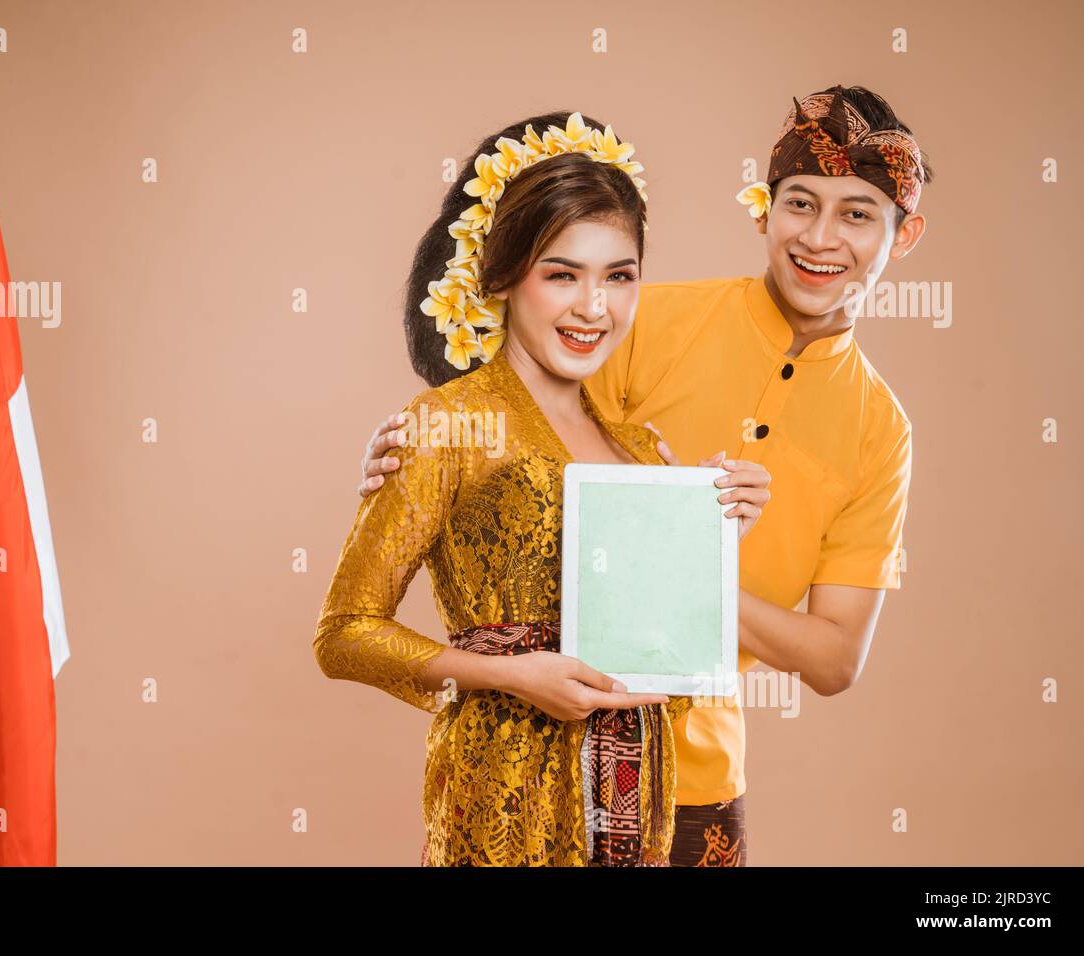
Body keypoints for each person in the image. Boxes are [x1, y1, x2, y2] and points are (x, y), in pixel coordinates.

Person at [357, 86, 930, 866]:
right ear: (764, 208)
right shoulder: (632, 318)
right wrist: (416, 450)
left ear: (904, 237)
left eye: (858, 214)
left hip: (698, 783)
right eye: (801, 203)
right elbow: (507, 445)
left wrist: (696, 571)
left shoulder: (880, 429)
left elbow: (833, 659)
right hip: (538, 757)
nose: (821, 238)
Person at [313, 111, 772, 866]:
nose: (595, 308)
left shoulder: (641, 447)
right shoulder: (446, 426)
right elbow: (344, 635)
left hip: (637, 805)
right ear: (500, 275)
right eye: (562, 274)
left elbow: (669, 665)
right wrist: (508, 677)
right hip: (505, 795)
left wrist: (714, 536)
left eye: (618, 276)